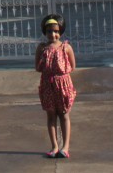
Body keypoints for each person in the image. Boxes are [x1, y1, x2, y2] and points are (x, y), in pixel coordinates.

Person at [35, 13, 76, 159]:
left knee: (64, 114)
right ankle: (54, 146)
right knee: (51, 115)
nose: (53, 34)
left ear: (61, 32)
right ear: (45, 32)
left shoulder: (66, 47)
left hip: (63, 85)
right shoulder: (42, 48)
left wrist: (61, 77)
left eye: (56, 31)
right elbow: (37, 67)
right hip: (47, 84)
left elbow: (72, 65)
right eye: (50, 31)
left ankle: (65, 147)